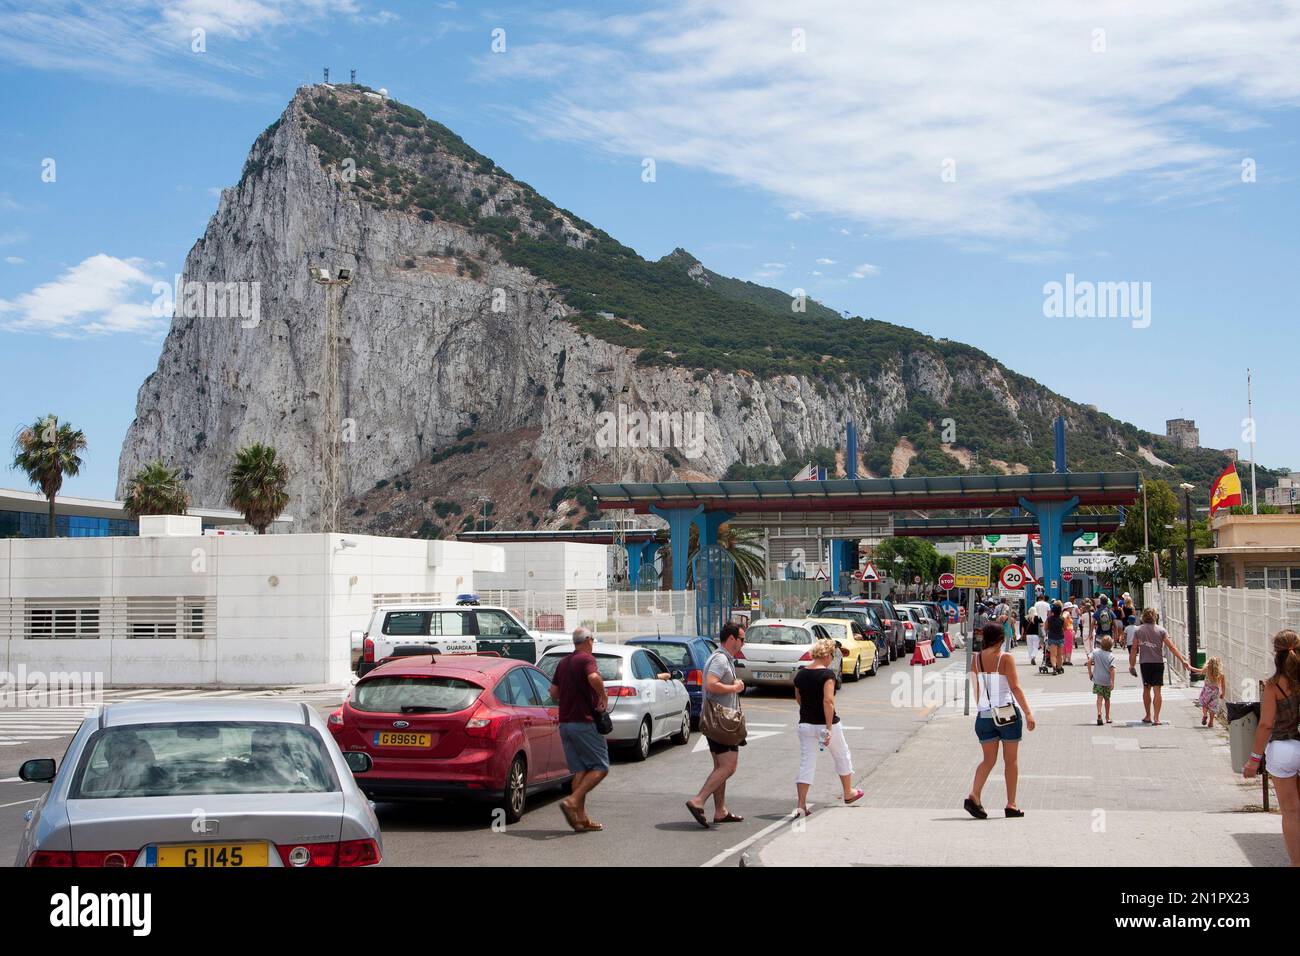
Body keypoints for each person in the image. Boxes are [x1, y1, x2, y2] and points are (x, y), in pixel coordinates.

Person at [965, 623, 1036, 819]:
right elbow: (1015, 688)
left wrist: (982, 708)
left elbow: (976, 689)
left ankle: (974, 795)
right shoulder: (1005, 658)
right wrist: (1028, 713)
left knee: (988, 760)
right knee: (1010, 761)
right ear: (1001, 638)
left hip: (984, 714)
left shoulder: (976, 659)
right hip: (1006, 714)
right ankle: (1011, 804)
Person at [1244, 630, 1300, 866]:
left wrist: (1254, 760)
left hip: (1282, 750)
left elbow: (1266, 725)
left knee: (1290, 811)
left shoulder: (1273, 685)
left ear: (1275, 653)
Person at [793, 637, 864, 815]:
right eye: (833, 655)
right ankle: (848, 793)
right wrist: (828, 728)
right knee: (841, 755)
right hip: (826, 724)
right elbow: (828, 701)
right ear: (828, 655)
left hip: (806, 725)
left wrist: (807, 711)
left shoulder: (801, 673)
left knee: (806, 763)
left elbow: (799, 698)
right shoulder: (827, 675)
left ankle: (801, 804)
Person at [686, 622, 746, 828]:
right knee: (729, 766)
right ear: (731, 639)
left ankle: (720, 811)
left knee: (720, 766)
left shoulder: (721, 657)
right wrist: (734, 687)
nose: (743, 644)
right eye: (742, 639)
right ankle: (698, 800)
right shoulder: (720, 659)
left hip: (718, 721)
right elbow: (711, 684)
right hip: (721, 722)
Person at [550, 627, 609, 832]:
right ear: (587, 640)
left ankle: (581, 819)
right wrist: (602, 696)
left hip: (565, 723)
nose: (593, 643)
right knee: (601, 767)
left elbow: (554, 693)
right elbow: (593, 678)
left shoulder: (563, 663)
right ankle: (572, 802)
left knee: (581, 770)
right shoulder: (586, 659)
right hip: (584, 723)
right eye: (592, 639)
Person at [1128, 608, 1194, 725]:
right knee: (1157, 690)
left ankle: (1148, 715)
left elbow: (1134, 648)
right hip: (1158, 663)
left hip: (1145, 663)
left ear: (1143, 617)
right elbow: (1171, 647)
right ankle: (1157, 718)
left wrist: (1132, 665)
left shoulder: (1138, 630)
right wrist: (1183, 660)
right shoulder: (1161, 630)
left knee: (1146, 688)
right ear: (1155, 617)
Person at [1088, 635, 1117, 725]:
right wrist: (1112, 682)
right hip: (1107, 681)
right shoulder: (1111, 656)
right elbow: (1112, 670)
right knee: (1107, 699)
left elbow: (1089, 661)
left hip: (1097, 680)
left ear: (1101, 644)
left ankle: (1099, 712)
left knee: (1099, 697)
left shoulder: (1096, 652)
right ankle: (1107, 717)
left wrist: (1090, 673)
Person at [1198, 656, 1227, 727]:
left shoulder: (1207, 670)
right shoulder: (1221, 675)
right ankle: (1211, 722)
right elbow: (1223, 685)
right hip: (1215, 692)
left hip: (1206, 691)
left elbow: (1198, 671)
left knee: (1204, 704)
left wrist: (1190, 667)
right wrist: (1223, 693)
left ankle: (1205, 715)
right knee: (1213, 707)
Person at [1044, 600, 1066, 674]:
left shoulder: (1049, 619)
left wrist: (1048, 630)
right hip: (1060, 637)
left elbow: (1045, 628)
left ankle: (1054, 668)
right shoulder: (1062, 619)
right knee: (1059, 655)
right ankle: (1059, 668)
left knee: (1053, 655)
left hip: (1052, 637)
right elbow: (1065, 628)